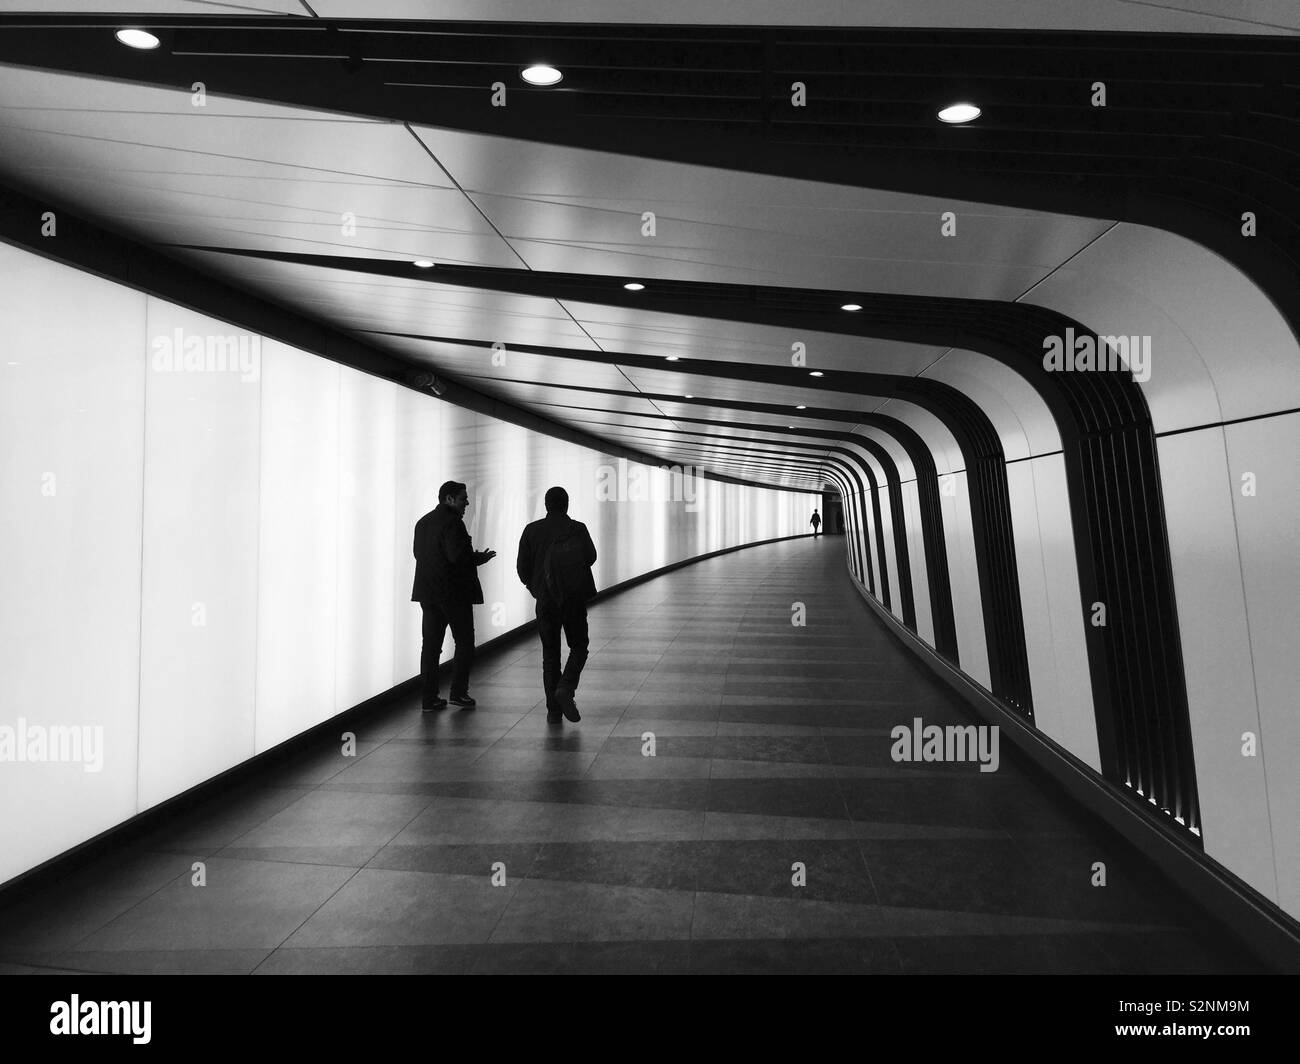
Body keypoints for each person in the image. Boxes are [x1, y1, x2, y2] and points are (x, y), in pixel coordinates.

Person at [412, 481, 496, 711]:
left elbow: (418, 553)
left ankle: (429, 699)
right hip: (453, 594)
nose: (467, 502)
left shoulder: (423, 522)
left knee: (430, 647)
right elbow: (457, 558)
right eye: (462, 498)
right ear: (449, 499)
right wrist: (478, 558)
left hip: (427, 594)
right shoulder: (453, 523)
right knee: (465, 643)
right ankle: (458, 693)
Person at [516, 486, 597, 724]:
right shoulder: (577, 529)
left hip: (546, 602)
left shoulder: (532, 531)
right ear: (567, 504)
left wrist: (538, 589)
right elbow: (591, 557)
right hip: (573, 600)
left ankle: (553, 712)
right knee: (579, 646)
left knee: (550, 656)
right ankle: (566, 687)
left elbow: (522, 568)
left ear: (546, 505)